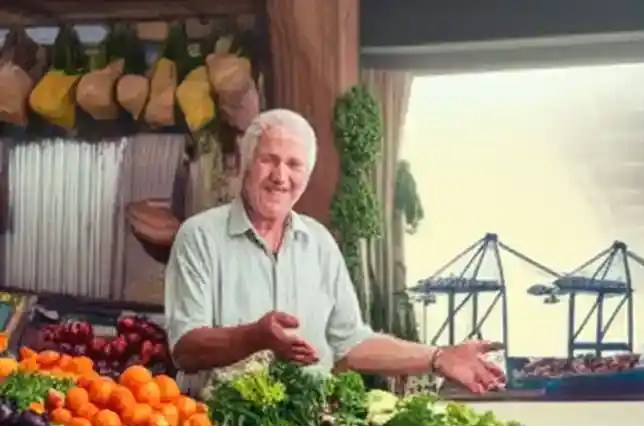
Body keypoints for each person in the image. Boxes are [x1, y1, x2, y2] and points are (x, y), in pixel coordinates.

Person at [164, 109, 504, 393]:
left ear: (307, 175)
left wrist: (438, 356)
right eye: (269, 160)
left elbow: (352, 342)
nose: (280, 176)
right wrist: (255, 337)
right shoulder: (200, 237)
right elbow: (186, 349)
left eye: (294, 165)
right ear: (246, 164)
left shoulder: (320, 243)